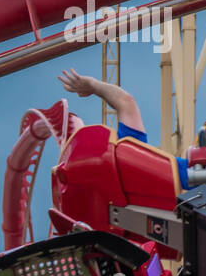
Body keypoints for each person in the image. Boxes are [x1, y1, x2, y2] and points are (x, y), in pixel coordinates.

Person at [58, 68, 191, 189]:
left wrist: (94, 86)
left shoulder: (129, 158)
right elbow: (126, 102)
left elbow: (126, 103)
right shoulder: (131, 158)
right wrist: (94, 85)